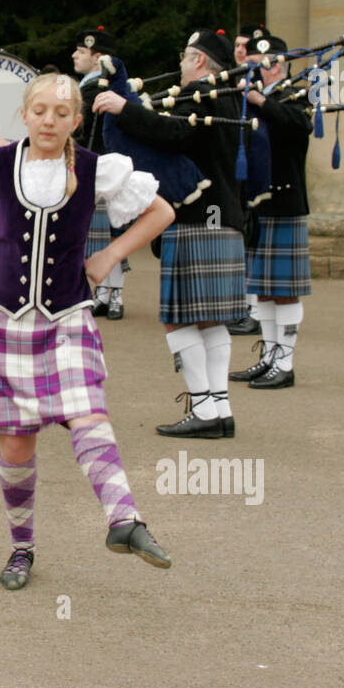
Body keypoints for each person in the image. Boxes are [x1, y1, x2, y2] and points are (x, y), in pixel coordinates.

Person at [0, 72, 176, 590]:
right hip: (3, 317)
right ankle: (22, 548)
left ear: (76, 121)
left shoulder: (95, 168)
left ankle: (124, 521)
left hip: (67, 315)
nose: (49, 121)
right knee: (16, 448)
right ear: (25, 115)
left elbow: (161, 210)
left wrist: (108, 255)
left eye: (62, 113)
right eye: (40, 111)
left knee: (88, 414)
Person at [94, 28, 248, 439]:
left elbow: (172, 134)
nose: (180, 64)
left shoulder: (205, 95)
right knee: (210, 321)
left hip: (196, 218)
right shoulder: (226, 94)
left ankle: (203, 407)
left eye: (184, 56)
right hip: (222, 219)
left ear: (199, 60)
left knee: (178, 320)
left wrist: (123, 109)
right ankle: (219, 407)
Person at [229, 33, 310, 389]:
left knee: (285, 288)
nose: (255, 73)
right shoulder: (252, 101)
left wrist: (260, 100)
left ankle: (286, 363)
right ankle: (268, 355)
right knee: (262, 287)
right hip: (258, 203)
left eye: (259, 66)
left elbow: (299, 126)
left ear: (277, 64)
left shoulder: (298, 93)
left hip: (286, 200)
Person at [73, 27, 130, 320]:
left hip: (106, 168)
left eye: (81, 51)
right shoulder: (85, 87)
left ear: (98, 59)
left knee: (112, 231)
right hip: (93, 169)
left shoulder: (106, 89)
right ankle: (105, 293)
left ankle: (115, 293)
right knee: (99, 234)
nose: (74, 55)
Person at [226, 23, 271, 337]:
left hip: (262, 179)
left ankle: (254, 310)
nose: (242, 52)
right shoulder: (235, 83)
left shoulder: (261, 91)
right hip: (242, 175)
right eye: (240, 46)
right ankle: (245, 307)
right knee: (245, 242)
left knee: (255, 243)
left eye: (249, 48)